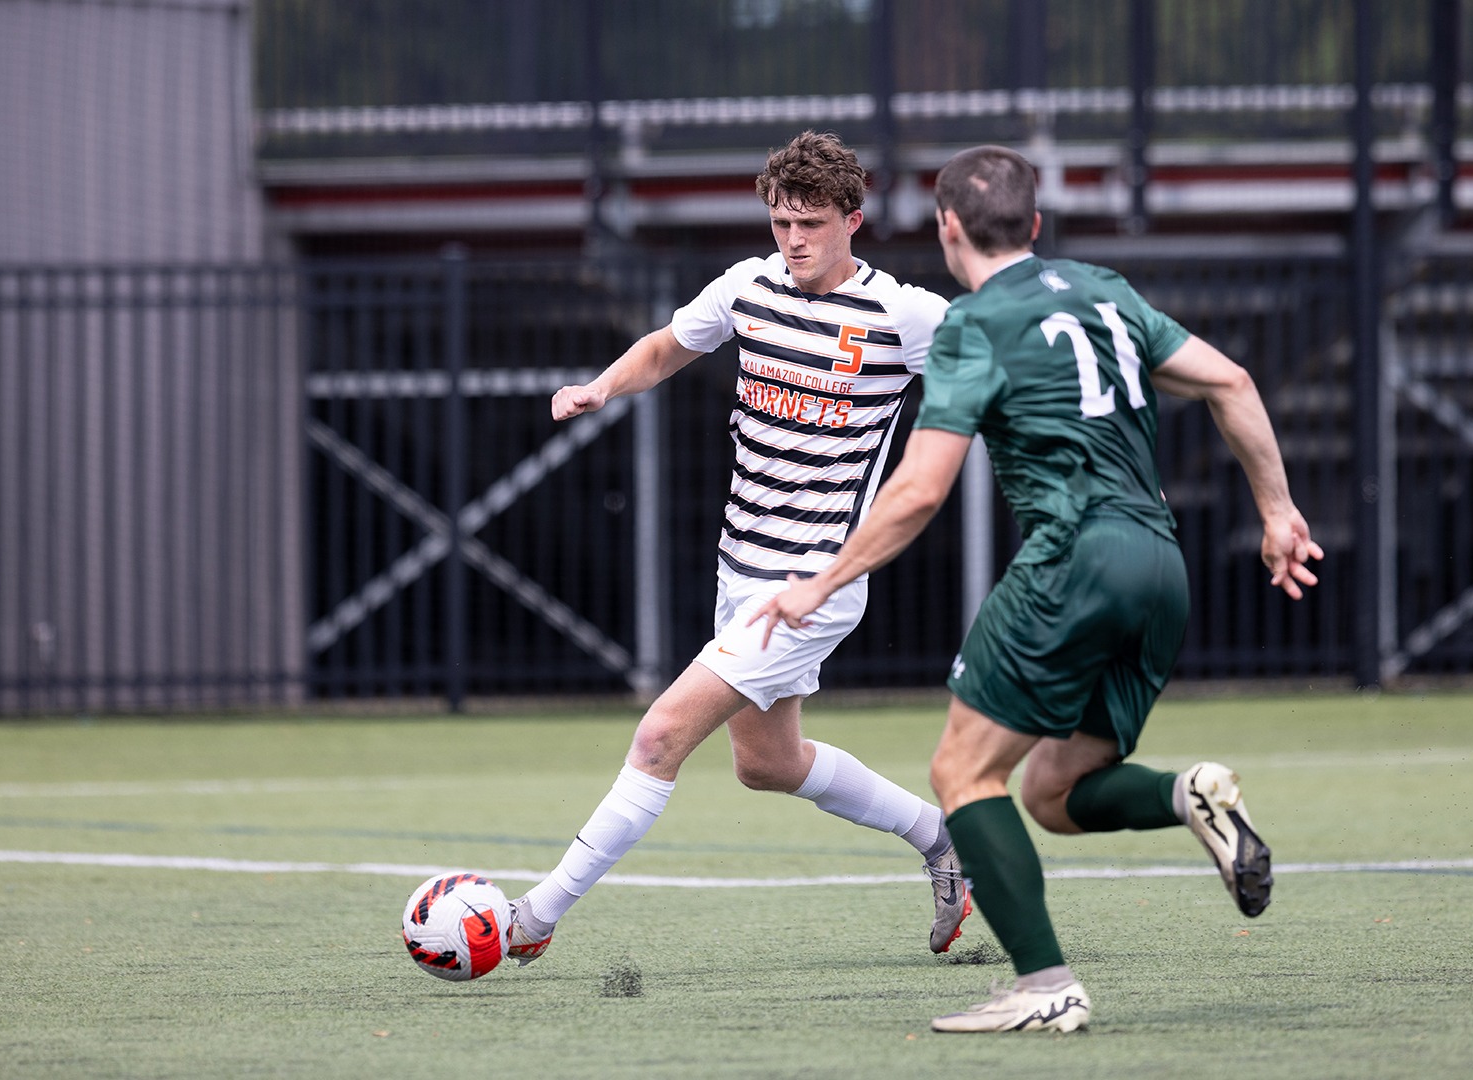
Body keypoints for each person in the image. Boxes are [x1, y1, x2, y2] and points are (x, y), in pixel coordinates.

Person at [751, 144, 1324, 1033]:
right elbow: (1232, 382)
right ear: (1037, 226)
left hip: (1073, 559)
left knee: (960, 772)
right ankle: (1189, 792)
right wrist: (1279, 512)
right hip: (1159, 567)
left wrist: (821, 579)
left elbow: (919, 489)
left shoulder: (975, 326)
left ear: (947, 227)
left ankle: (1045, 984)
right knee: (1056, 792)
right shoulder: (1106, 291)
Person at [504, 131, 968, 966]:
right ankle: (943, 839)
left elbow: (1001, 377)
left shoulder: (903, 313)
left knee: (658, 738)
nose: (793, 239)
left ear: (853, 221)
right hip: (740, 568)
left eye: (811, 223)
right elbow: (665, 348)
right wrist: (599, 386)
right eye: (781, 221)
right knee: (766, 763)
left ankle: (530, 918)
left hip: (814, 581)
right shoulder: (746, 287)